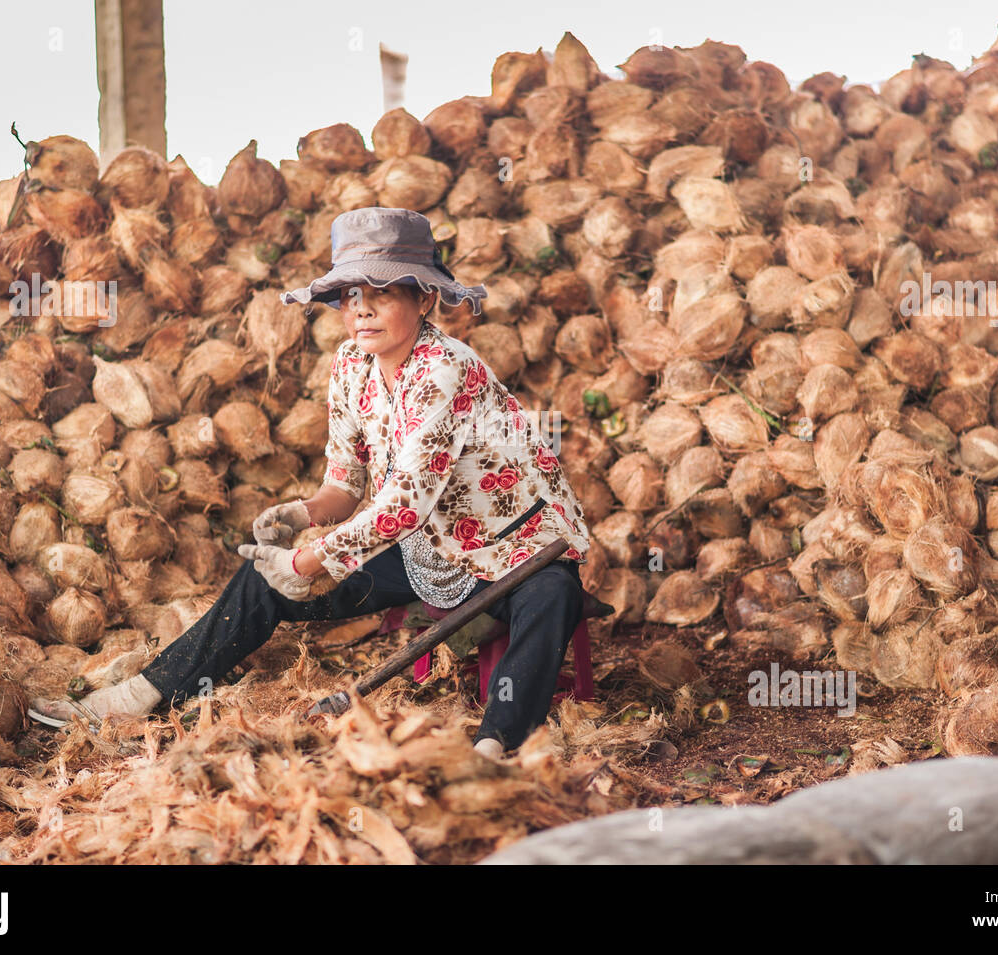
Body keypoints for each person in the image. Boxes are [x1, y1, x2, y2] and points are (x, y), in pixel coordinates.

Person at [29, 207, 592, 760]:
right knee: (261, 578)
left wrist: (310, 561)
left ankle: (492, 748)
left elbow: (403, 506)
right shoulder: (351, 364)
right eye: (351, 296)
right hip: (429, 554)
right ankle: (139, 694)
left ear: (424, 299)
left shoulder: (446, 369)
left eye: (383, 293)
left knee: (553, 597)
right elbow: (345, 484)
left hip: (519, 548)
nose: (362, 311)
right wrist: (301, 516)